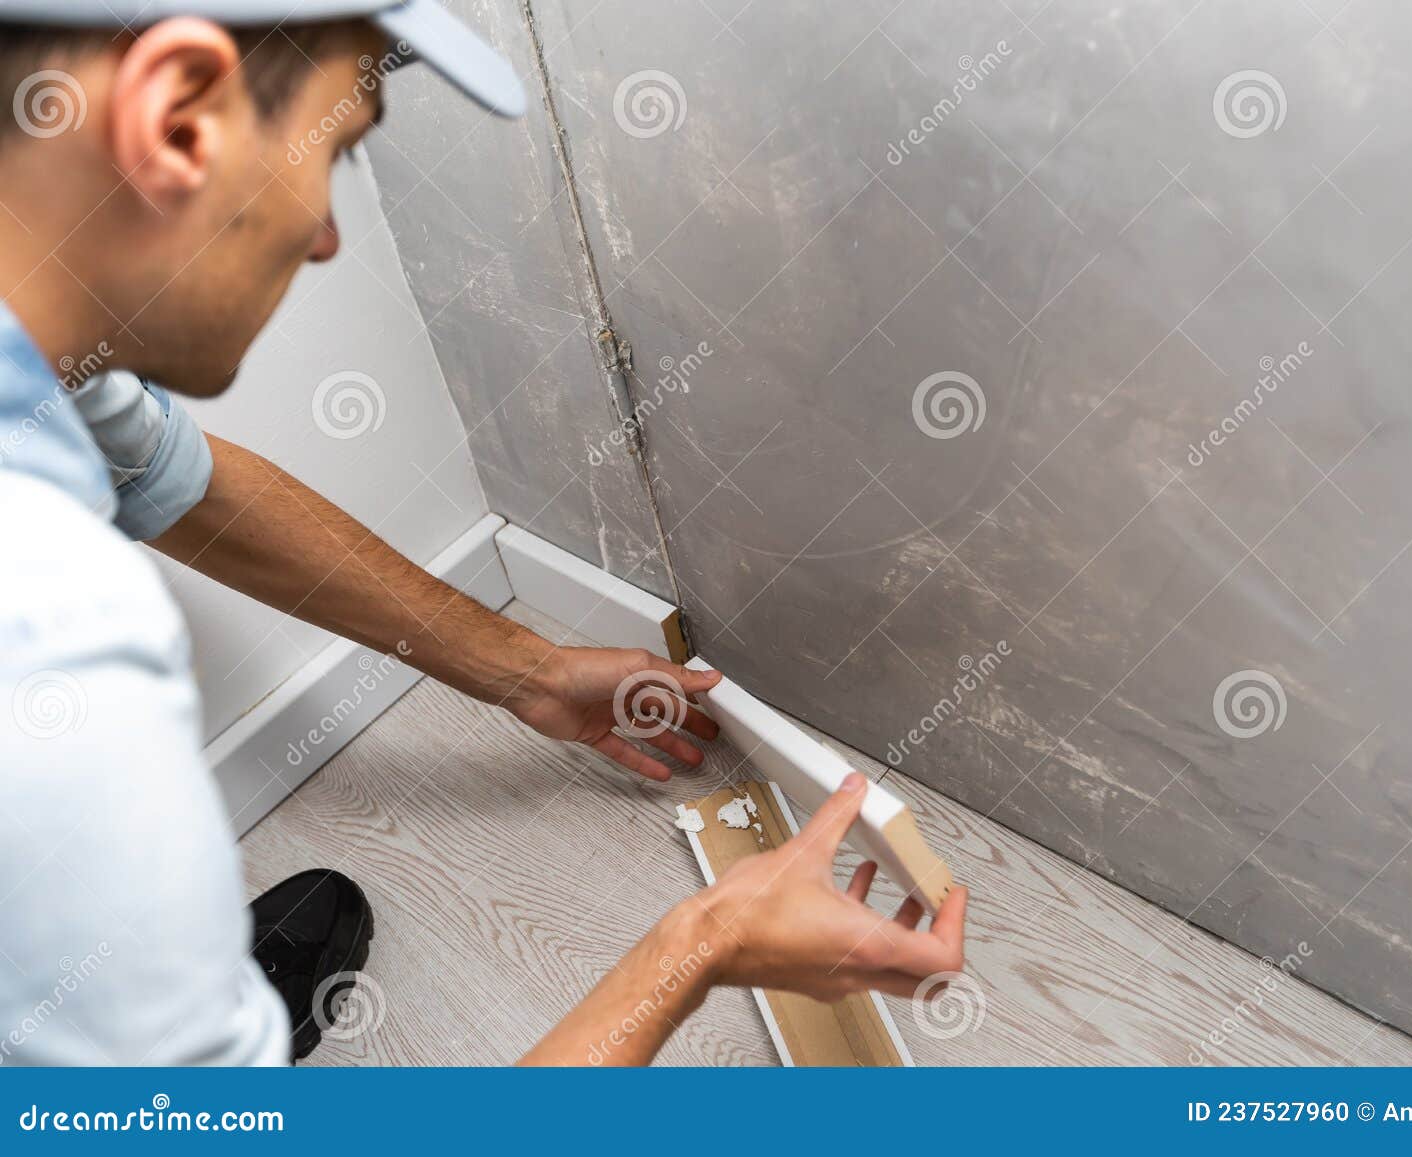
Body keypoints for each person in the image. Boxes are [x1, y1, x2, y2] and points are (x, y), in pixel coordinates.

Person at [0, 1, 968, 1067]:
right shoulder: (45, 638)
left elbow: (170, 479)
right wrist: (703, 941)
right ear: (177, 118)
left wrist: (529, 670)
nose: (326, 237)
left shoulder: (48, 360)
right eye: (335, 149)